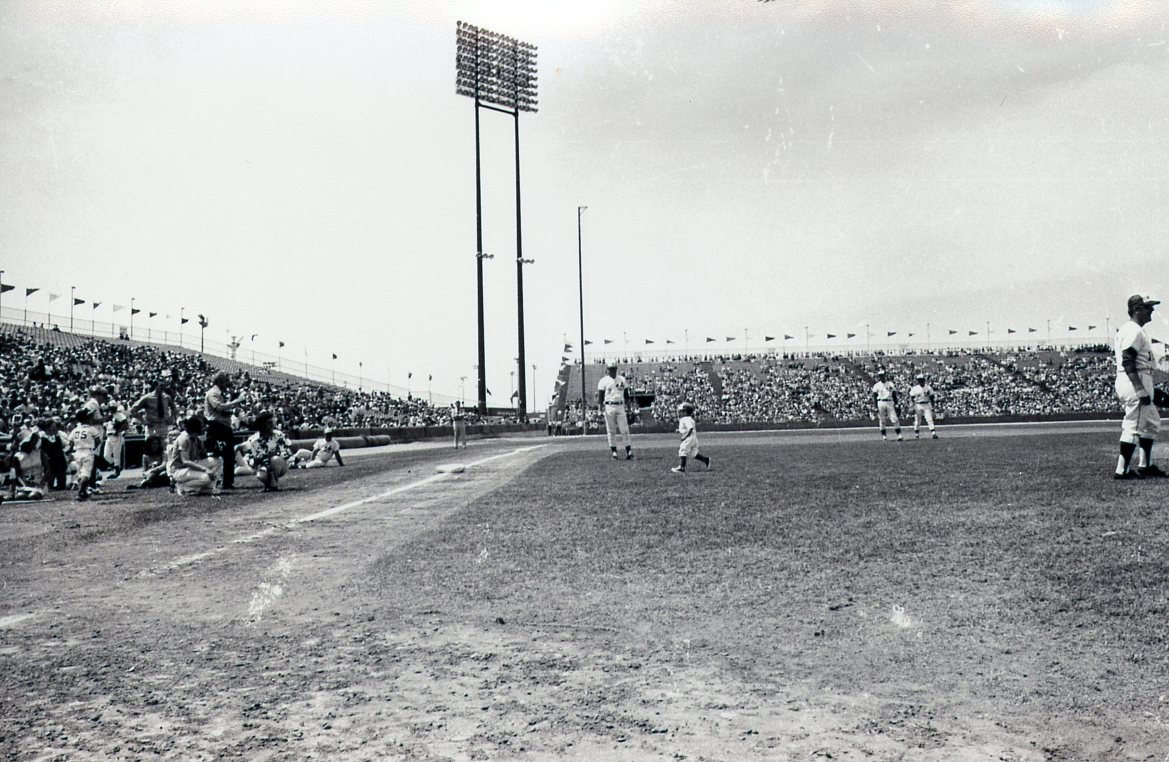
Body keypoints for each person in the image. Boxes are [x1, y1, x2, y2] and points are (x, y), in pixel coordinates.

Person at [1114, 294, 1164, 479]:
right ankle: (1122, 470)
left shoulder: (1133, 330)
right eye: (1147, 307)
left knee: (1151, 423)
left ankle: (1145, 465)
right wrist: (1141, 388)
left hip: (1138, 377)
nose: (1151, 310)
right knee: (1133, 426)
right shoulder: (1133, 330)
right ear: (1137, 310)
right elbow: (1128, 360)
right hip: (1135, 378)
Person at [204, 371, 245, 490]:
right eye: (225, 381)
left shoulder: (219, 393)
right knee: (217, 453)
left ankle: (227, 482)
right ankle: (216, 481)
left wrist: (232, 410)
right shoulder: (213, 393)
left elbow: (222, 411)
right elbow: (219, 407)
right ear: (219, 381)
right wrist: (236, 401)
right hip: (216, 427)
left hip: (222, 426)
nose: (227, 384)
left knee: (228, 455)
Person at [130, 382, 177, 470]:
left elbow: (174, 409)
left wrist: (171, 417)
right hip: (152, 426)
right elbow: (133, 410)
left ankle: (165, 468)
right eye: (161, 385)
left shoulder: (167, 397)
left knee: (164, 448)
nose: (163, 387)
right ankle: (148, 469)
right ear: (155, 385)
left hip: (163, 425)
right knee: (150, 447)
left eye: (164, 385)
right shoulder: (147, 398)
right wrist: (143, 421)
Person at [168, 416, 220, 496]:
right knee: (206, 477)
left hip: (189, 467)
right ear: (196, 429)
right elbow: (185, 461)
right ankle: (182, 487)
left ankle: (207, 487)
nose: (205, 428)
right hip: (179, 470)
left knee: (217, 461)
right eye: (202, 426)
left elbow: (203, 457)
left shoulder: (196, 438)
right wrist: (205, 469)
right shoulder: (184, 439)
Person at [243, 411, 291, 492]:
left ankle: (273, 484)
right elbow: (250, 459)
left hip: (280, 465)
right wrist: (256, 460)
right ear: (261, 425)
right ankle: (268, 485)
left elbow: (288, 452)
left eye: (273, 422)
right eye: (269, 423)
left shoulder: (279, 435)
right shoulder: (253, 440)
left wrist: (276, 454)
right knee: (261, 476)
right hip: (262, 466)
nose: (272, 425)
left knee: (274, 460)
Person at [596, 362, 634, 460]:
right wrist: (600, 410)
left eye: (614, 369)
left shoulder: (622, 379)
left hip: (620, 406)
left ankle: (629, 451)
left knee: (624, 430)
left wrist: (629, 408)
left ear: (616, 369)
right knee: (611, 430)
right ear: (607, 370)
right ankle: (614, 452)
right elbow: (600, 398)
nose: (612, 370)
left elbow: (626, 395)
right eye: (610, 369)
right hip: (609, 406)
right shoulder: (603, 381)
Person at [66, 409, 101, 501]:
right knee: (86, 474)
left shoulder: (75, 430)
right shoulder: (92, 429)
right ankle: (80, 493)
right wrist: (92, 448)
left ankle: (83, 491)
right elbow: (98, 441)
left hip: (77, 452)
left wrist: (68, 453)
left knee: (80, 473)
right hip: (87, 451)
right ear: (86, 418)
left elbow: (70, 444)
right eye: (89, 416)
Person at [671, 402, 711, 474]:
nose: (680, 413)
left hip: (689, 438)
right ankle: (706, 460)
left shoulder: (685, 419)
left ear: (685, 412)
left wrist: (685, 437)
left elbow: (690, 428)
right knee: (693, 453)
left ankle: (682, 468)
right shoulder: (689, 418)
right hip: (694, 438)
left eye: (681, 411)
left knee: (682, 450)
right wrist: (680, 430)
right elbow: (687, 428)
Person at [871, 369, 903, 441]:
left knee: (894, 418)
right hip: (881, 402)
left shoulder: (890, 384)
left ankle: (899, 435)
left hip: (889, 401)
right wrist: (875, 406)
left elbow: (894, 394)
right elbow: (874, 396)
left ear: (885, 376)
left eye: (883, 376)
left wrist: (896, 403)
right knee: (882, 420)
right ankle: (884, 435)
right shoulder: (877, 385)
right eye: (880, 376)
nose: (882, 377)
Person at [909, 373, 939, 440]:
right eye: (919, 380)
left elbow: (932, 397)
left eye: (922, 380)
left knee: (929, 419)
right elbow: (911, 397)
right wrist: (911, 405)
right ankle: (917, 434)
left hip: (926, 404)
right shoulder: (915, 388)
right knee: (917, 421)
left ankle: (933, 433)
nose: (920, 381)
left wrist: (933, 407)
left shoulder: (928, 388)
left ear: (924, 380)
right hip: (918, 404)